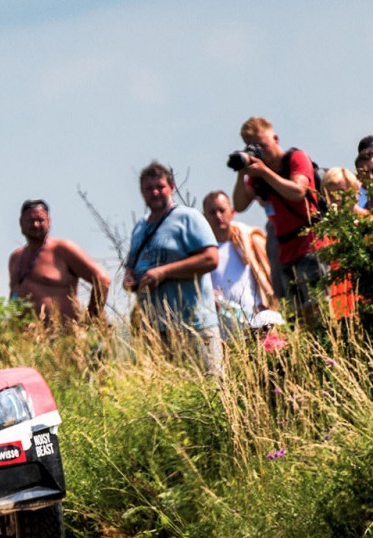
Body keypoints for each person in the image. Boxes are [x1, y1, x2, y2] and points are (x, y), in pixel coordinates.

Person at [233, 116, 333, 326]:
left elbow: (298, 191)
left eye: (263, 145)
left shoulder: (296, 158)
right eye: (254, 147)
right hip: (285, 251)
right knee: (296, 316)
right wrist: (241, 173)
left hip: (310, 245)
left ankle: (329, 350)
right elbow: (240, 205)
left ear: (275, 138)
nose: (261, 151)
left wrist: (265, 172)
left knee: (319, 310)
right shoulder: (257, 175)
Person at [125, 161, 223, 374]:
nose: (155, 192)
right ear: (142, 192)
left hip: (194, 325)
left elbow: (210, 259)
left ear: (172, 186)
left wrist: (164, 271)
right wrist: (130, 279)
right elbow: (131, 267)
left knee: (211, 389)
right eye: (149, 188)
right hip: (157, 330)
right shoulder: (140, 227)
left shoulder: (188, 218)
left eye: (160, 186)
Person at [8, 199, 112, 325]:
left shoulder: (62, 250)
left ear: (49, 222)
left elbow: (102, 279)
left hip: (63, 336)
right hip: (27, 339)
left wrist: (92, 318)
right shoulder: (16, 257)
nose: (35, 225)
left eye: (40, 220)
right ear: (21, 223)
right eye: (30, 220)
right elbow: (13, 298)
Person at [201, 190, 275, 339]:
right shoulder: (203, 253)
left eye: (222, 210)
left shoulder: (249, 243)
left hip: (258, 325)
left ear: (232, 212)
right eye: (212, 212)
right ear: (204, 217)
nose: (218, 216)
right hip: (223, 332)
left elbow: (267, 276)